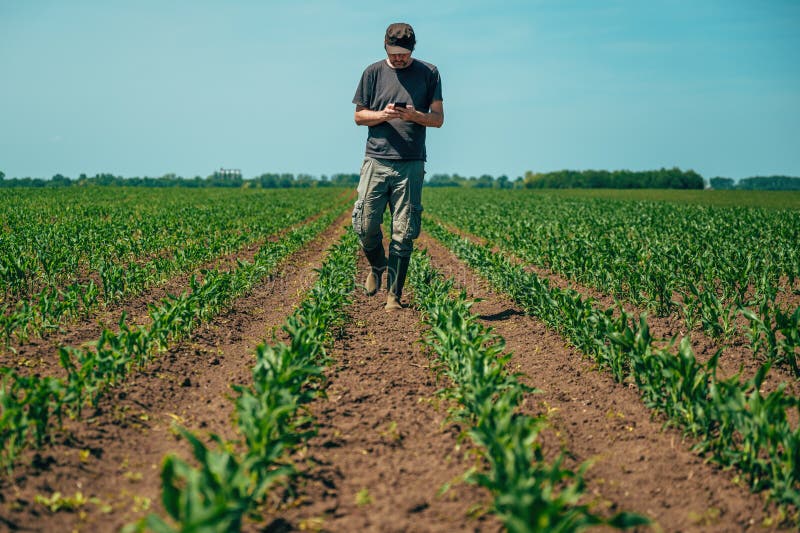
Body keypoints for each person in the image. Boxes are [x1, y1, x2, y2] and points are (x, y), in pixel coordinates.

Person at [351, 22, 444, 311]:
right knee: (365, 226)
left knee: (404, 232)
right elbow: (358, 117)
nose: (398, 58)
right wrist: (383, 114)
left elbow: (438, 118)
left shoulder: (429, 72)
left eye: (403, 53)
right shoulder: (372, 72)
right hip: (376, 160)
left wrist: (416, 115)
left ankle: (394, 296)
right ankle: (378, 265)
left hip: (411, 163)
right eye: (394, 53)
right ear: (385, 46)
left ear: (412, 49)